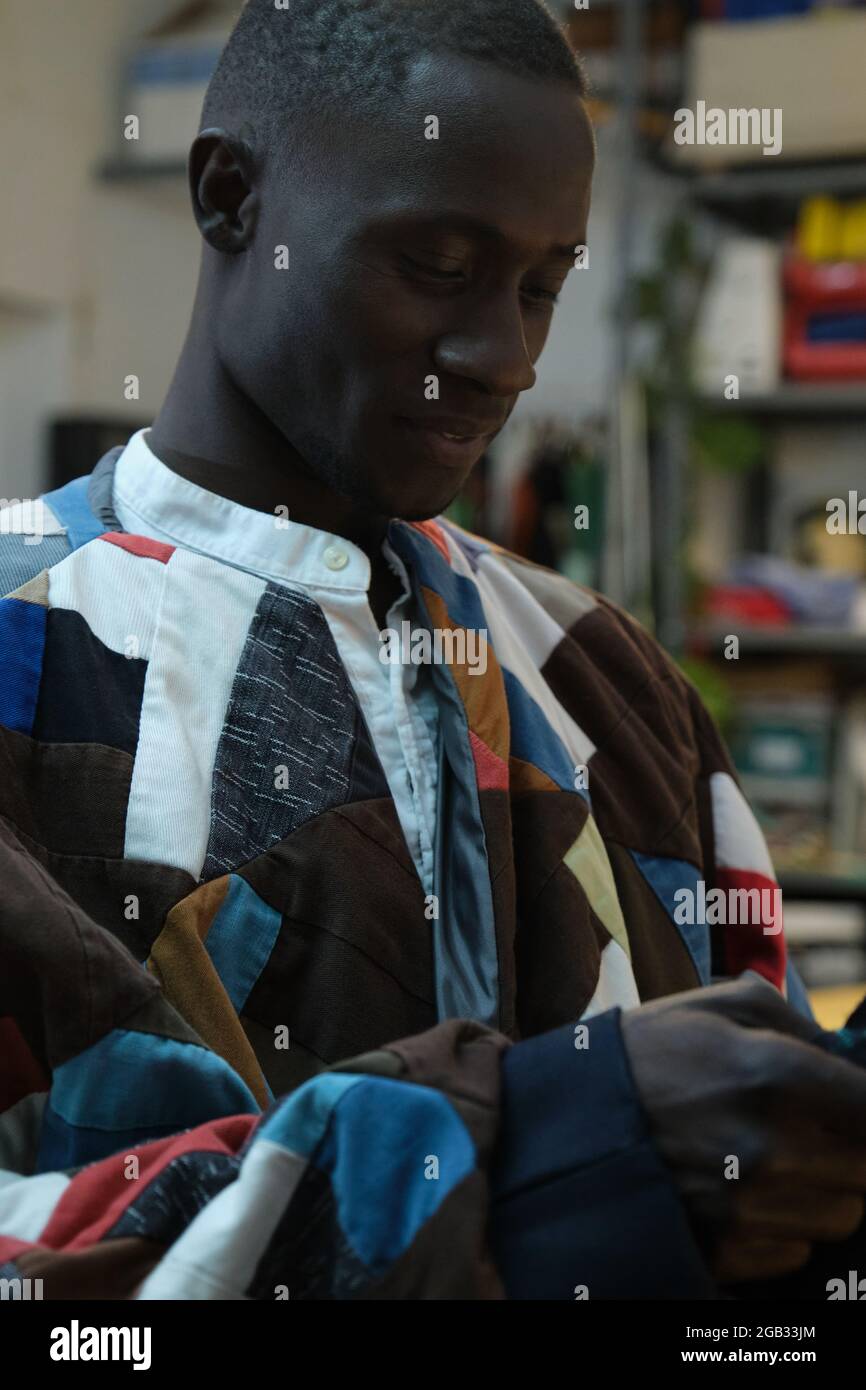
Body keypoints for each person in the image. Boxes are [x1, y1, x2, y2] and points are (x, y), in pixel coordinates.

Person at [1, 0, 865, 1302]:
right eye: (437, 266)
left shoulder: (603, 674)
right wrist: (557, 1150)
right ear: (231, 196)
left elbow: (761, 1160)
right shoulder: (24, 645)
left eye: (540, 285)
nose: (501, 358)